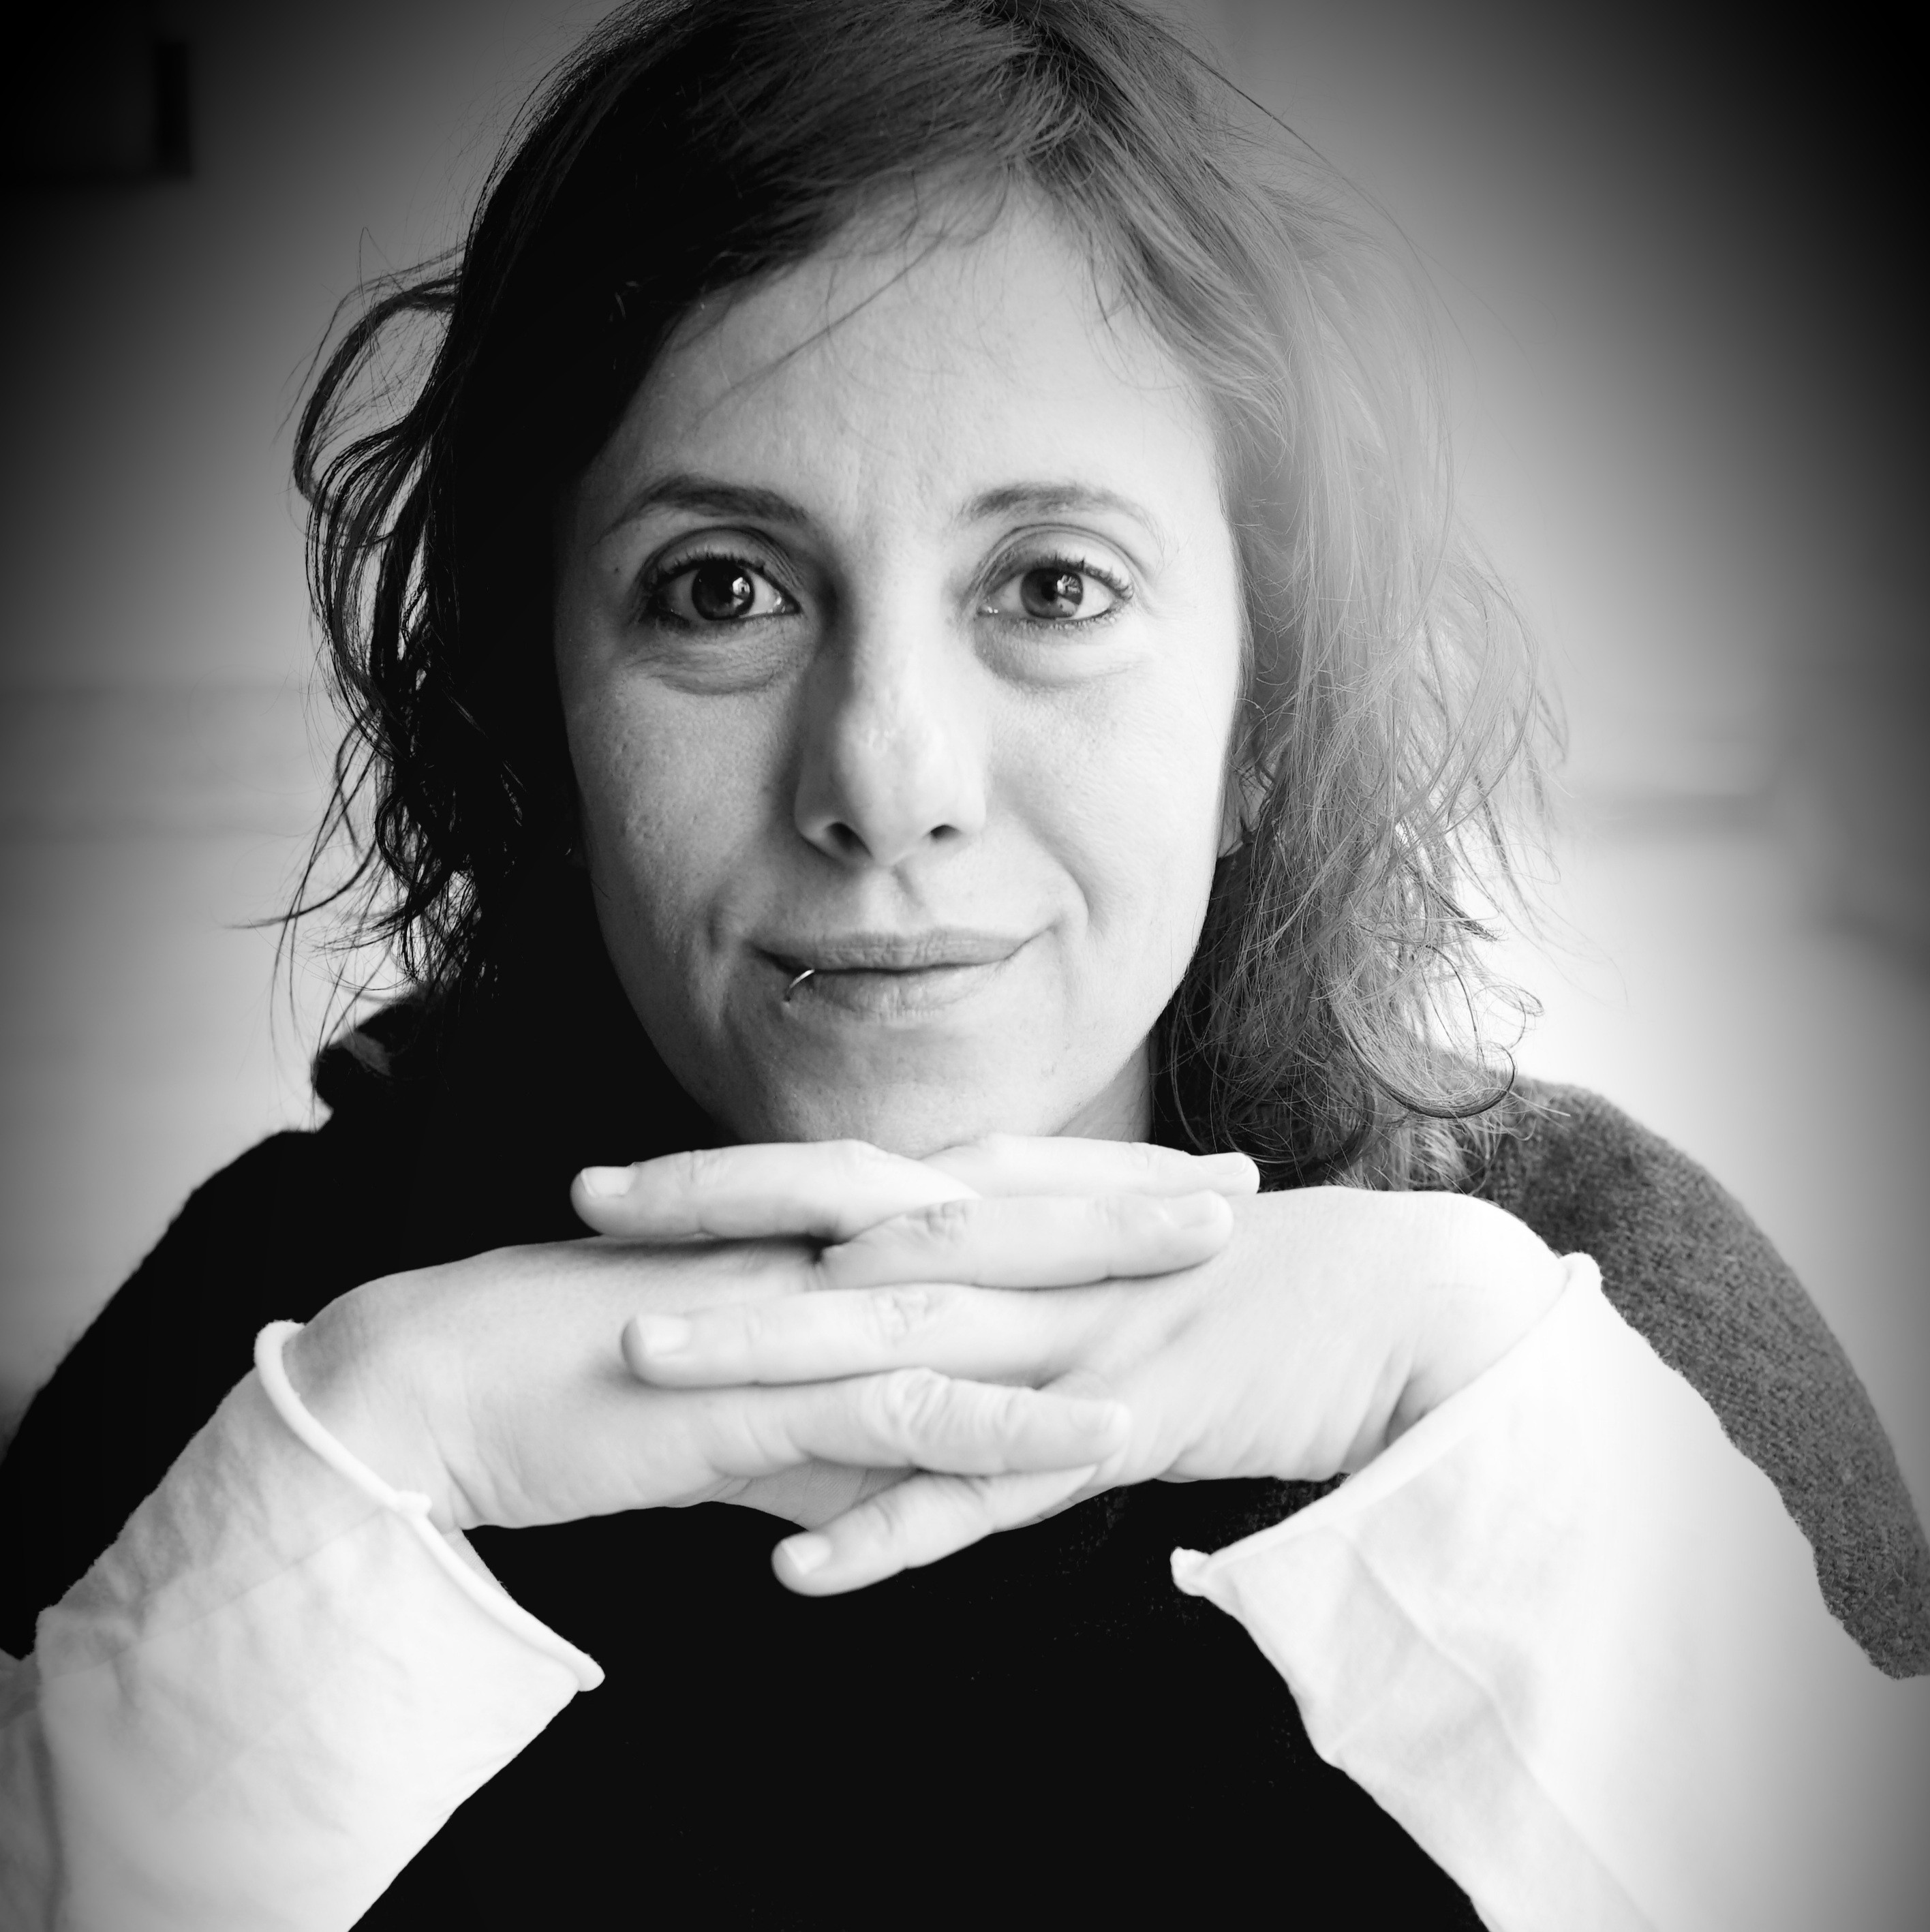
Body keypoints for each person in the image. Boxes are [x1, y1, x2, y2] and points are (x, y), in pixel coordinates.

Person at [1, 1, 1926, 1925]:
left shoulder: (1596, 1307)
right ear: (542, 720)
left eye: (1056, 587)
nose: (886, 782)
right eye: (722, 590)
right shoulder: (269, 1331)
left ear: (1261, 721)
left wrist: (1489, 1433)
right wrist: (350, 1486)